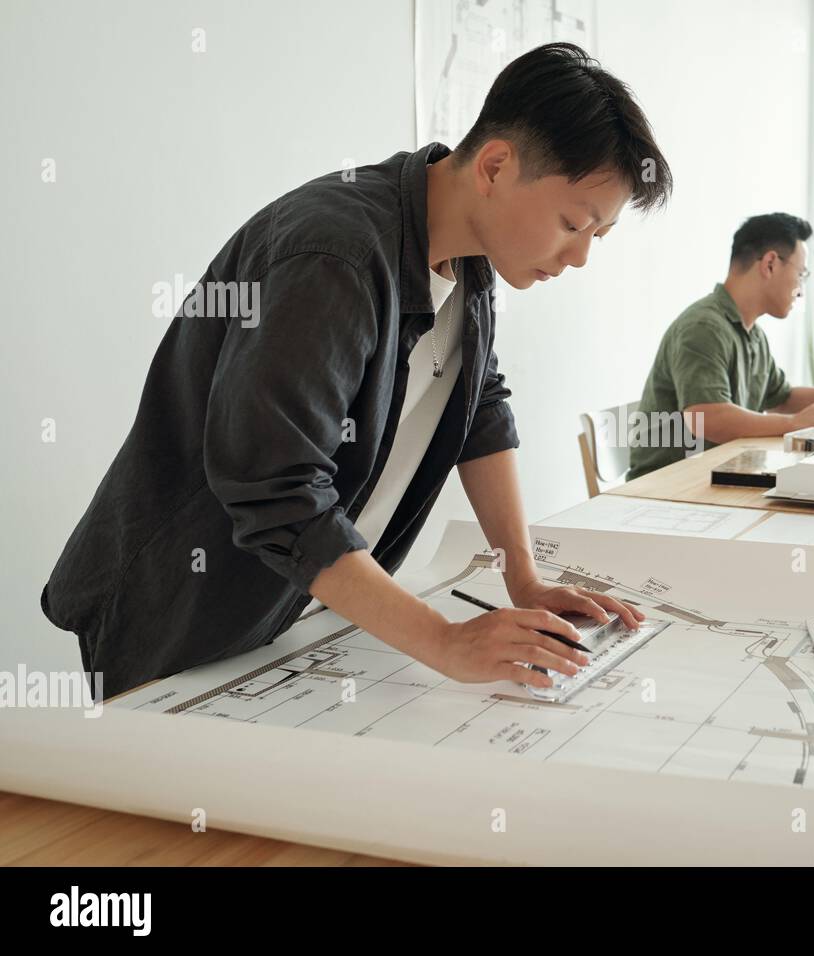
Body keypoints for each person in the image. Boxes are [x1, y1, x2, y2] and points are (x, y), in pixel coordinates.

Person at [41, 43, 670, 700]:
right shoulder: (334, 254)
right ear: (494, 166)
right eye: (574, 224)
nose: (578, 258)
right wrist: (446, 643)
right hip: (181, 616)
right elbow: (276, 495)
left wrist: (525, 578)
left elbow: (478, 404)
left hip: (294, 617)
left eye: (598, 237)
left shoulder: (472, 259)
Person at [626, 213, 814, 480]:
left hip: (716, 477)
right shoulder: (704, 327)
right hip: (667, 487)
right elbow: (706, 417)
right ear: (770, 264)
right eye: (801, 275)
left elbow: (782, 397)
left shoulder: (753, 335)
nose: (801, 290)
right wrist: (793, 424)